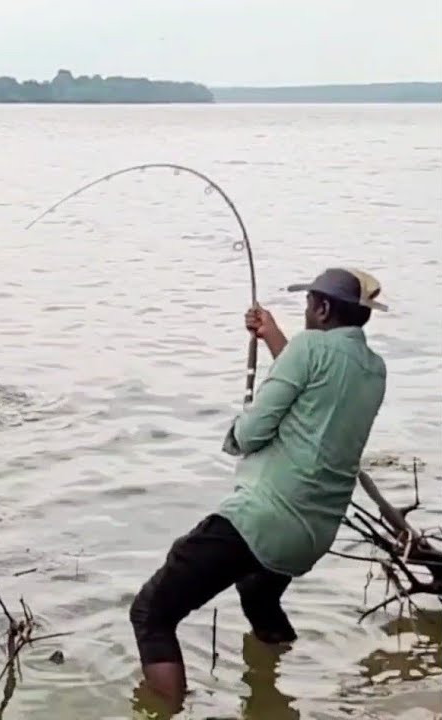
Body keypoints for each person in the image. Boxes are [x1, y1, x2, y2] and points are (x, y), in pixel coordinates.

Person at [128, 267, 390, 709]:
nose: (306, 312)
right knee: (256, 591)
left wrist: (236, 431)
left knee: (152, 614)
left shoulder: (308, 348)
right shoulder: (374, 369)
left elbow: (251, 434)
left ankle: (164, 711)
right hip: (313, 534)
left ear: (323, 309)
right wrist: (272, 337)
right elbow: (317, 387)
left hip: (264, 518)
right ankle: (271, 686)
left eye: (309, 304)